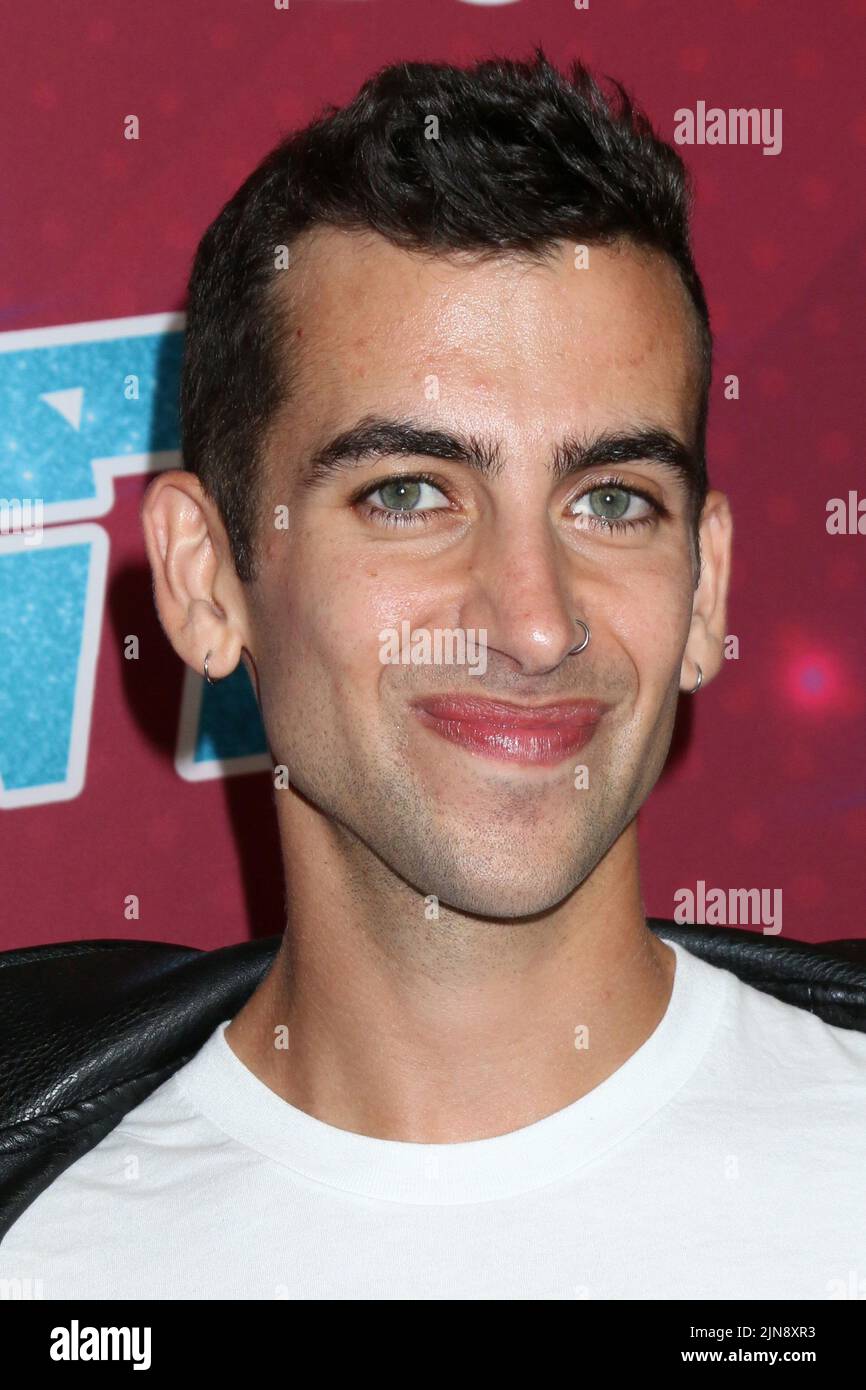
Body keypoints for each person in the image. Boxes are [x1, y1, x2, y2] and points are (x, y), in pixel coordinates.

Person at [3, 48, 864, 1301]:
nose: (530, 622)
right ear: (204, 579)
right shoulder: (48, 1254)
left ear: (705, 586)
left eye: (610, 500)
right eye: (408, 494)